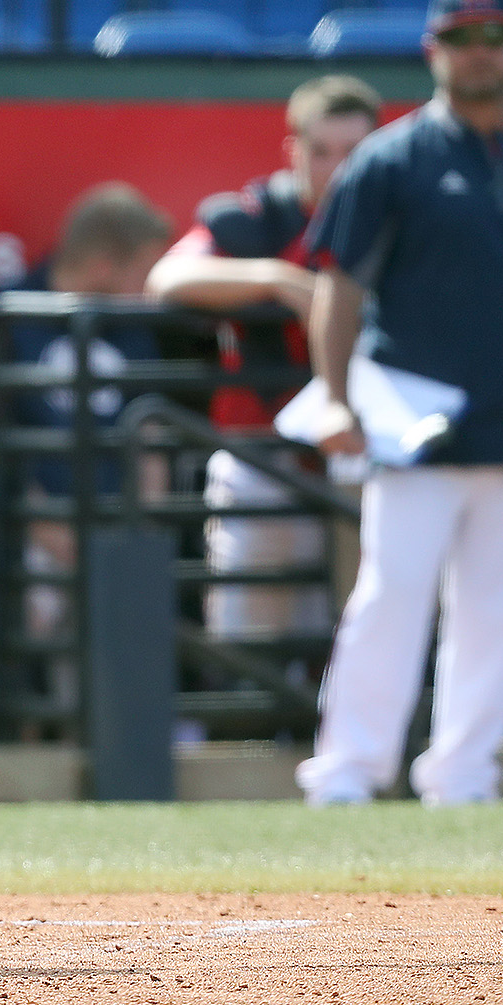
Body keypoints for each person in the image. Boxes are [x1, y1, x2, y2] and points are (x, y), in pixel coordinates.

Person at [297, 0, 503, 808]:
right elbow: (339, 289)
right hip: (414, 426)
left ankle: (463, 776)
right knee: (389, 600)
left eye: (495, 35)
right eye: (463, 37)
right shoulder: (392, 157)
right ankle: (347, 775)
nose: (480, 52)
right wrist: (337, 397)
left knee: (494, 615)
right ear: (435, 49)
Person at [147, 76, 379, 644]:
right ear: (294, 152)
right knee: (248, 643)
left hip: (370, 452)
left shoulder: (401, 215)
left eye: (353, 153)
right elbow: (168, 277)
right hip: (264, 457)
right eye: (321, 151)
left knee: (366, 636)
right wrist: (276, 279)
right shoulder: (257, 216)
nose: (336, 168)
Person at [0, 184, 172, 704]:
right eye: (144, 271)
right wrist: (45, 528)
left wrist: (142, 532)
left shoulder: (132, 328)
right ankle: (23, 755)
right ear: (106, 264)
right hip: (29, 530)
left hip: (117, 525)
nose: (153, 289)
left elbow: (150, 437)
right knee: (29, 642)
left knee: (122, 663)